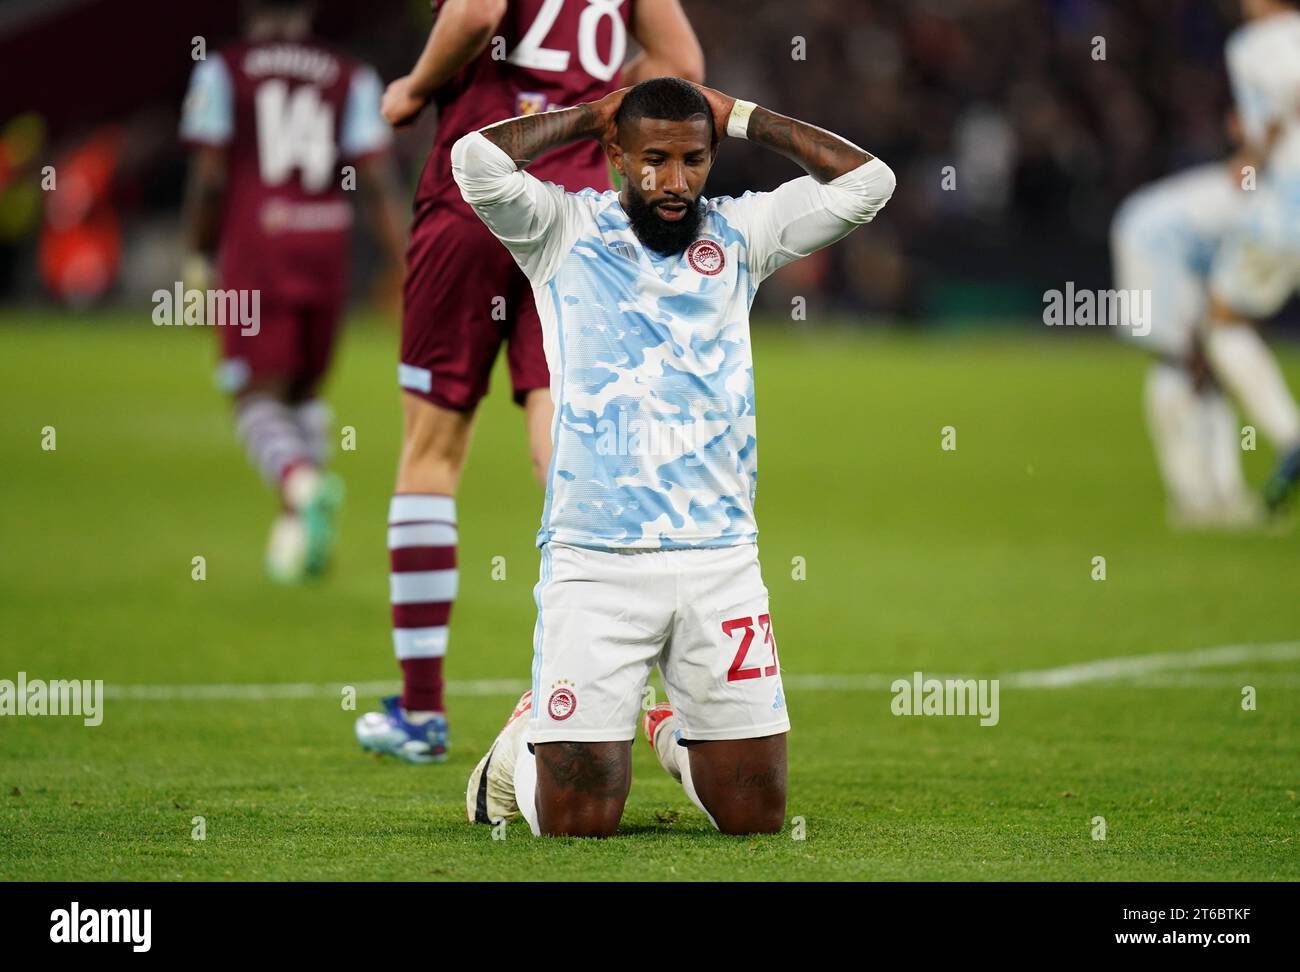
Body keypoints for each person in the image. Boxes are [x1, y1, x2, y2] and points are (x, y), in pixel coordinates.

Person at [453, 77, 895, 836]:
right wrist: (589, 115)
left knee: (754, 816)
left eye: (693, 159)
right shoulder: (559, 231)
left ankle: (663, 727)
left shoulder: (741, 235)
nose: (672, 180)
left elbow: (868, 184)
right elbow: (474, 162)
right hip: (596, 561)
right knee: (578, 823)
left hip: (719, 560)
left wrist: (746, 116)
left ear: (712, 156)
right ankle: (512, 756)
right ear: (616, 154)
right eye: (652, 158)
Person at [354, 0, 704, 764]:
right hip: (577, 213)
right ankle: (620, 685)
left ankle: (419, 711)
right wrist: (600, 106)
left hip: (480, 190)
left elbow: (478, 15)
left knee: (432, 446)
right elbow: (683, 65)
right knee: (566, 449)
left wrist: (414, 85)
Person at [180, 0, 407, 582]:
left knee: (253, 392)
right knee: (303, 391)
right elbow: (376, 180)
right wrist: (407, 260)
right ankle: (293, 537)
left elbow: (210, 178)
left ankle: (301, 486)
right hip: (327, 243)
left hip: (257, 246)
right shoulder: (349, 73)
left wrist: (200, 253)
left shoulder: (223, 69)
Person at [1205, 0, 1300, 512]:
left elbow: (1280, 110)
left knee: (1223, 319)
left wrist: (1247, 159)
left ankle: (1291, 436)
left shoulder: (1252, 45)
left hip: (1287, 207)